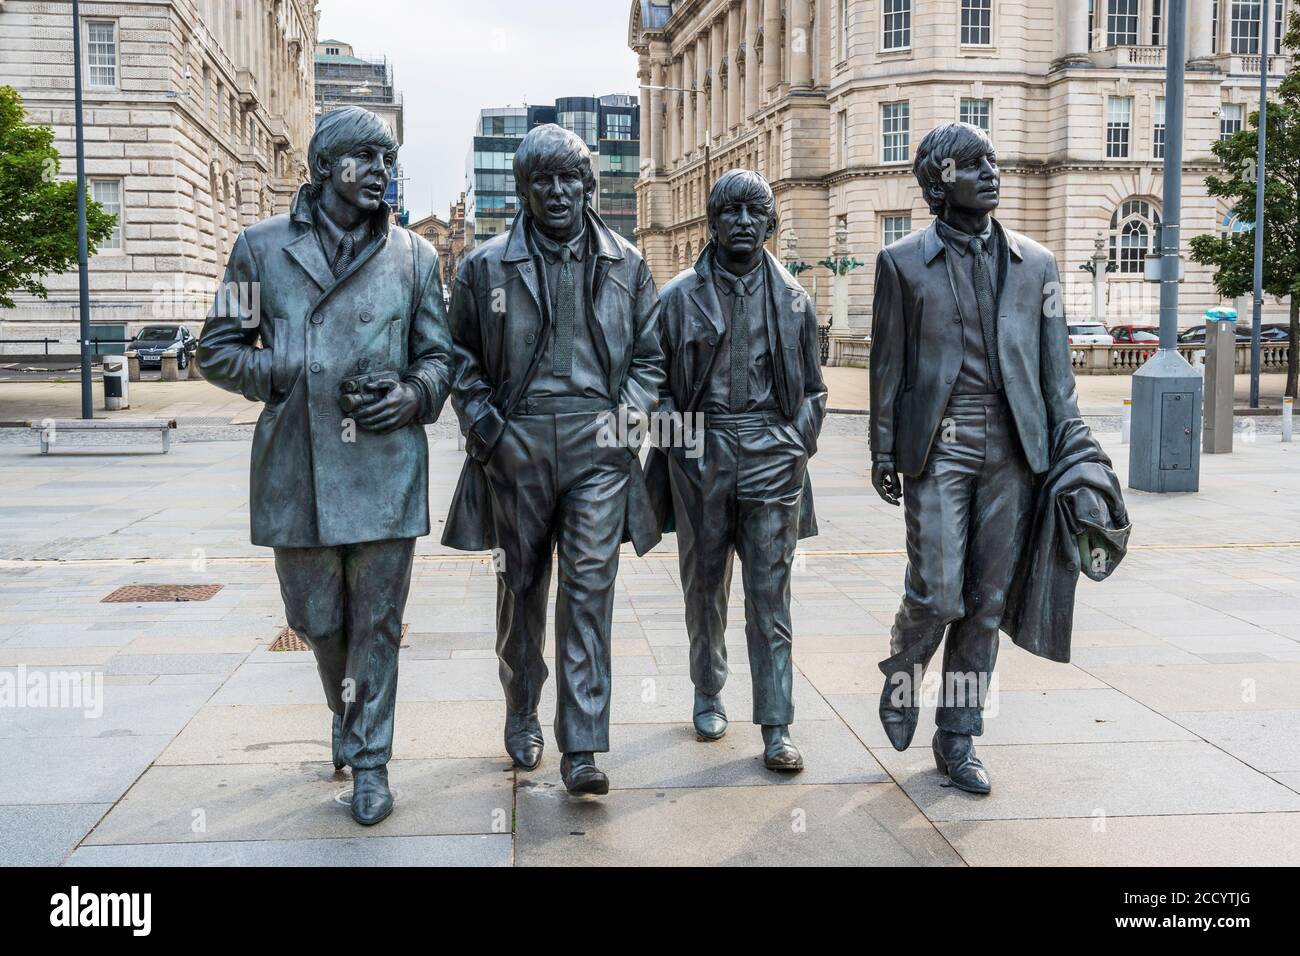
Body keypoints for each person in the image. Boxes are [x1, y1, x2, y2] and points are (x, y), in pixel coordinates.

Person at [198, 106, 453, 824]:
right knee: (315, 617)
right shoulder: (260, 248)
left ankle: (371, 760)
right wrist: (286, 366)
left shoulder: (415, 256)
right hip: (296, 467)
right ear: (322, 169)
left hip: (384, 463)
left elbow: (441, 358)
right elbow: (217, 349)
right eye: (367, 159)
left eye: (388, 161)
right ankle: (347, 711)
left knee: (378, 621)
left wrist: (409, 394)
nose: (381, 173)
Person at [442, 124, 664, 795]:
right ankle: (521, 707)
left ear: (589, 184)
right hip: (519, 444)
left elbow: (651, 359)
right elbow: (458, 359)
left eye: (570, 178)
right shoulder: (484, 268)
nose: (559, 192)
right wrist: (490, 431)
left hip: (599, 450)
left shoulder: (627, 262)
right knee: (522, 591)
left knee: (589, 593)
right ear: (524, 189)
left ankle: (584, 746)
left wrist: (627, 420)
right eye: (543, 180)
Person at [645, 169, 826, 771]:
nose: (743, 223)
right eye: (730, 212)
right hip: (703, 449)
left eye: (755, 213)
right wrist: (683, 447)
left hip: (772, 453)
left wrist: (794, 443)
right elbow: (652, 387)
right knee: (704, 587)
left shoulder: (795, 300)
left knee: (771, 596)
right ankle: (708, 690)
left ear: (771, 224)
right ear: (711, 222)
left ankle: (776, 723)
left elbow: (814, 393)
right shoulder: (675, 299)